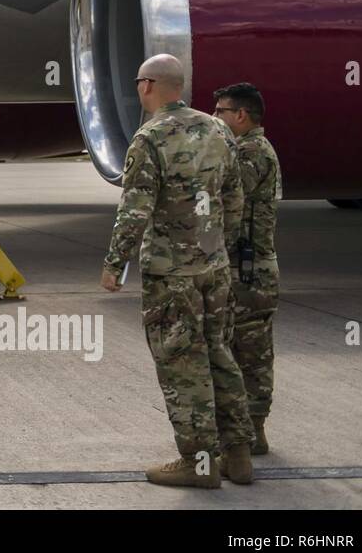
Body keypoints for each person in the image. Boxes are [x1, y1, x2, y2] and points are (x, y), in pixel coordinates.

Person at [100, 54, 256, 488]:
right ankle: (238, 456)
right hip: (214, 267)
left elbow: (135, 210)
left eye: (137, 82)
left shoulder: (150, 138)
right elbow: (234, 197)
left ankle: (199, 463)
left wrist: (115, 264)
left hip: (172, 274)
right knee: (221, 355)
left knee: (181, 364)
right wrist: (216, 247)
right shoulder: (217, 127)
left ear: (147, 85)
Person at [213, 82, 282, 455]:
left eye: (221, 111)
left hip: (250, 272)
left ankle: (253, 430)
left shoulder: (252, 152)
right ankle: (243, 430)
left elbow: (224, 193)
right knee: (241, 349)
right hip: (245, 269)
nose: (215, 117)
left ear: (241, 115)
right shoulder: (247, 149)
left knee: (252, 352)